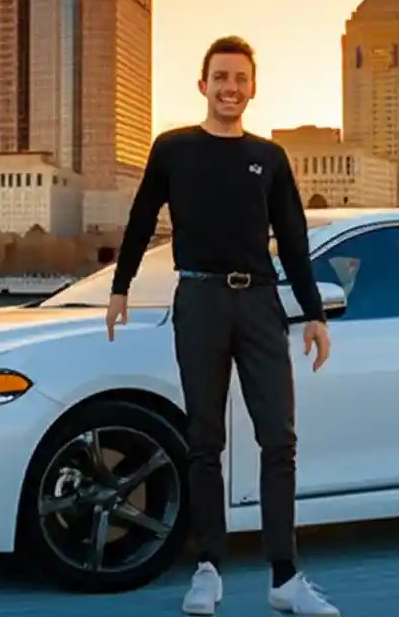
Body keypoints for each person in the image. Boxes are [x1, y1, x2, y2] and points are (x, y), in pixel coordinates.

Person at [106, 36, 339, 616]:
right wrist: (120, 287)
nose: (230, 88)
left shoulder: (270, 158)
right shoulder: (173, 150)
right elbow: (140, 221)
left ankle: (285, 577)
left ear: (251, 87)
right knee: (205, 439)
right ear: (202, 84)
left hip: (260, 305)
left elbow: (293, 241)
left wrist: (312, 313)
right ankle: (208, 568)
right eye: (220, 78)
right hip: (200, 300)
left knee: (278, 439)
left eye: (240, 79)